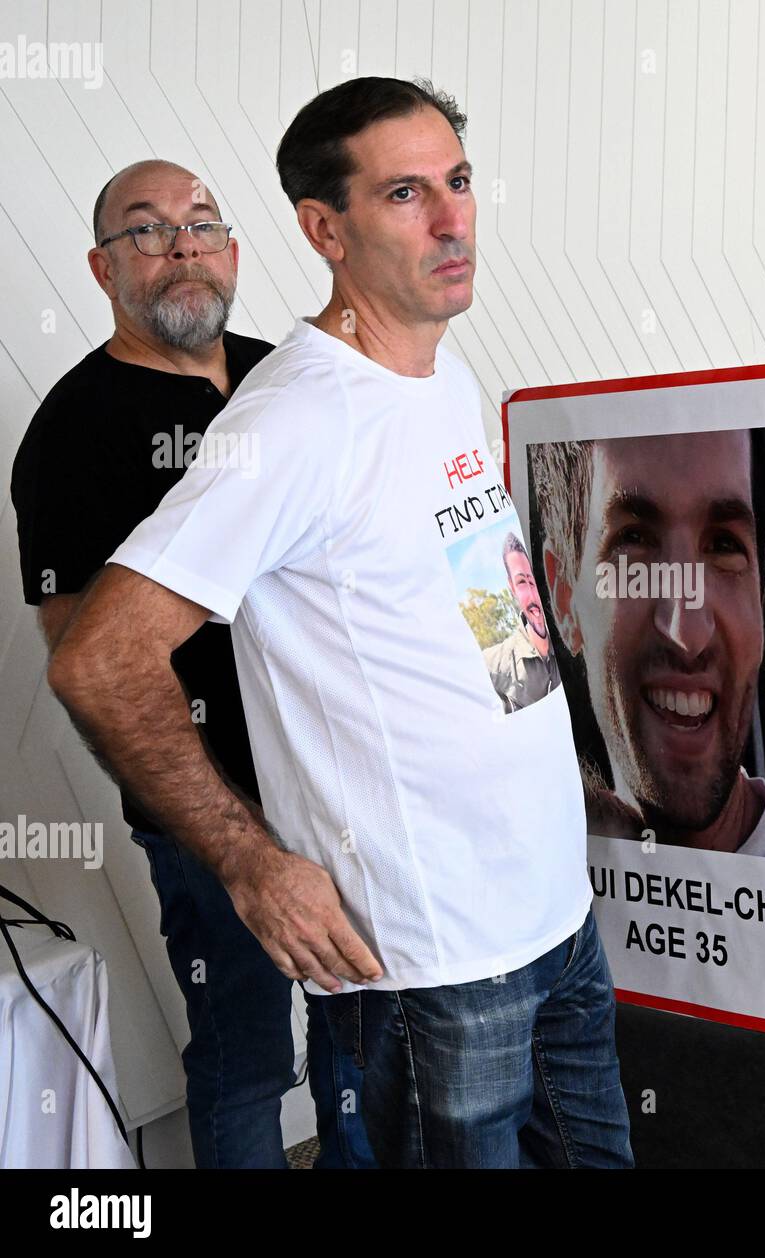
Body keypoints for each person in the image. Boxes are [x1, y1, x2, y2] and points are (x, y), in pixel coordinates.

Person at [45, 78, 632, 1169]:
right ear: (324, 229)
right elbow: (99, 656)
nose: (453, 218)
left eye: (457, 182)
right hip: (428, 959)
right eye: (406, 193)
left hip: (549, 918)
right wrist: (253, 862)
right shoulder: (294, 418)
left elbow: (482, 614)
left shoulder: (437, 372)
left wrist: (555, 771)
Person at [9, 159, 373, 1168]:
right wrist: (220, 832)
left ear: (234, 253)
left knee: (362, 1044)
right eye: (146, 229)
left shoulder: (290, 381)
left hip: (343, 788)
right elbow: (88, 664)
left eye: (202, 224)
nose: (181, 246)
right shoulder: (72, 433)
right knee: (245, 1055)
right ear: (100, 267)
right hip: (213, 818)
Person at [532, 428, 765, 860]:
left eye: (724, 546)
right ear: (564, 596)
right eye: (633, 540)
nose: (686, 634)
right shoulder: (527, 890)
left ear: (761, 598)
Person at [482, 532, 561, 712]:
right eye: (522, 582)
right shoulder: (494, 665)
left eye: (534, 581)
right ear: (512, 587)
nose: (534, 595)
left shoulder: (572, 640)